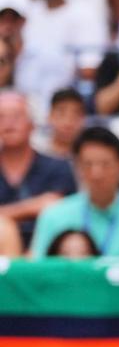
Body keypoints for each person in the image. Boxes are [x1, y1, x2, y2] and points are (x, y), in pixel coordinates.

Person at [31, 126, 119, 260]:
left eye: (105, 164)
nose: (97, 173)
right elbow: (41, 274)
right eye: (88, 164)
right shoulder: (53, 217)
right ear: (77, 167)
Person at [0, 90, 77, 250]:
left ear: (32, 124)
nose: (8, 124)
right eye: (1, 117)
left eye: (16, 116)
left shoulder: (58, 166)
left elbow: (60, 208)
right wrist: (33, 206)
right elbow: (46, 204)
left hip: (48, 251)